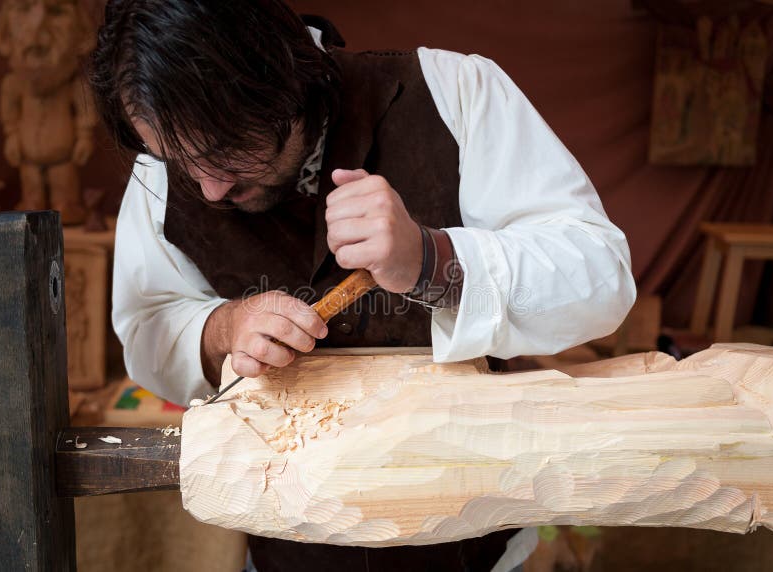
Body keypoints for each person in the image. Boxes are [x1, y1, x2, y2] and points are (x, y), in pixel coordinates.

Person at [90, 1, 636, 570]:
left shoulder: (456, 92)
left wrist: (430, 259)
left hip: (476, 551)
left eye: (224, 151)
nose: (207, 190)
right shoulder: (165, 163)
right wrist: (221, 328)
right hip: (282, 557)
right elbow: (147, 328)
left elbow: (601, 276)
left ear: (282, 80)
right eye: (177, 161)